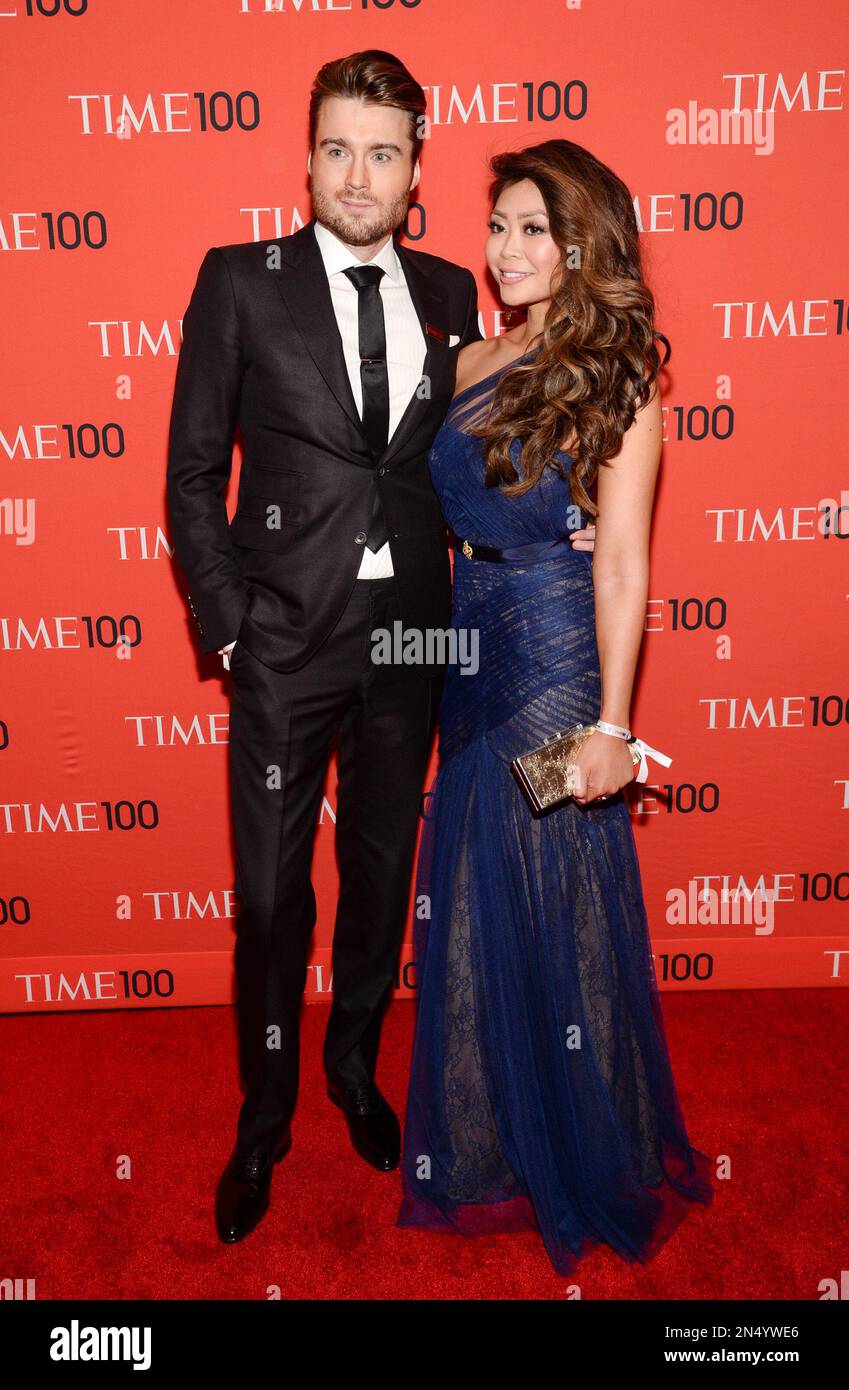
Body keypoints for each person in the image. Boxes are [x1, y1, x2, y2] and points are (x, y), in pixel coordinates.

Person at [167, 50, 598, 1246]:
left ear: (417, 168)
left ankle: (353, 1071)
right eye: (337, 149)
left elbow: (495, 444)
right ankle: (265, 1120)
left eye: (384, 152)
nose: (358, 175)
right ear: (308, 157)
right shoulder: (240, 283)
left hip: (416, 642)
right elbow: (193, 476)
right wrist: (232, 628)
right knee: (268, 899)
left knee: (375, 886)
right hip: (283, 645)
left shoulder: (461, 288)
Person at [397, 139, 713, 1277]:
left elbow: (623, 563)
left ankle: (586, 1144)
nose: (508, 249)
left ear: (584, 243)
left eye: (535, 228)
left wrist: (614, 727)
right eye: (499, 228)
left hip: (554, 653)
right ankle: (489, 1140)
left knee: (555, 887)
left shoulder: (618, 375)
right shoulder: (477, 349)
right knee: (475, 885)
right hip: (467, 641)